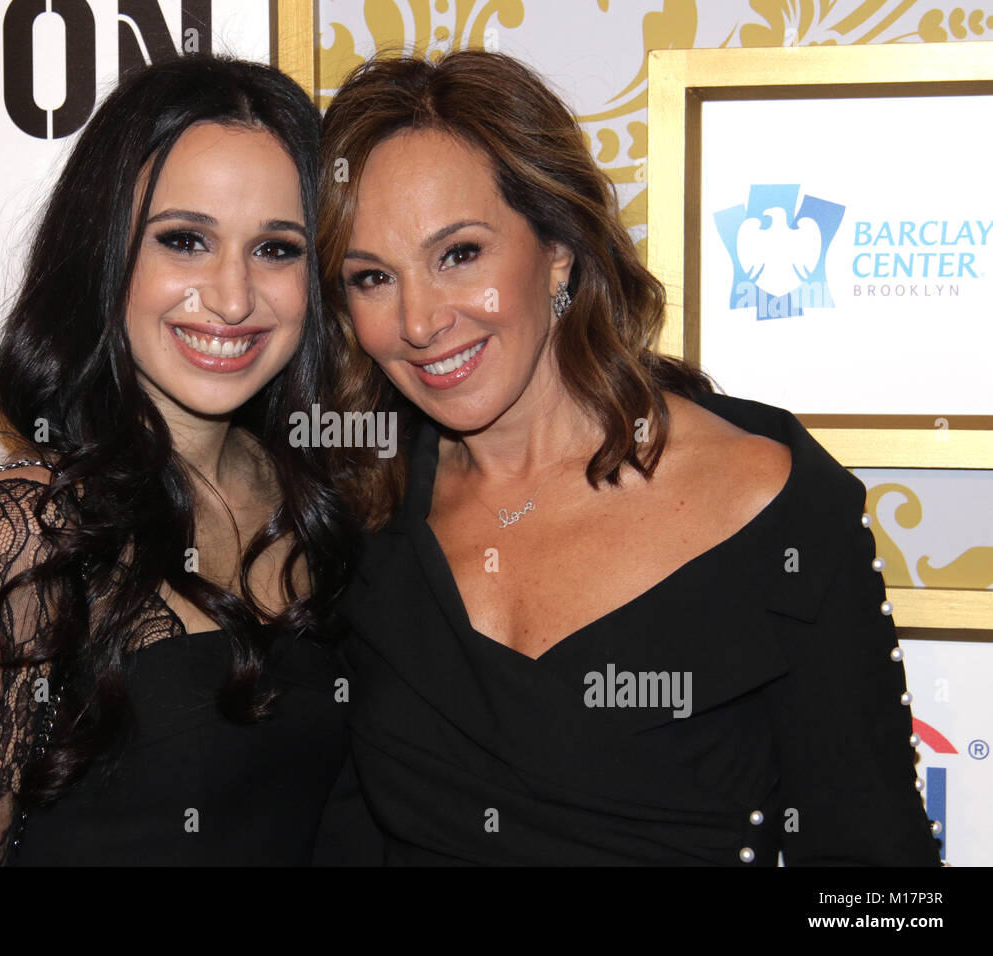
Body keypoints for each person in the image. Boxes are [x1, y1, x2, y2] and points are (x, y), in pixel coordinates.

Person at [316, 50, 943, 865]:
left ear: (558, 249)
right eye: (372, 277)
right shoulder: (361, 507)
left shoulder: (767, 502)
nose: (420, 321)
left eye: (459, 254)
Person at [0, 55, 360, 865]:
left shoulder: (325, 502)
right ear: (105, 251)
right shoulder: (31, 531)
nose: (232, 297)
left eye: (276, 250)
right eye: (185, 241)